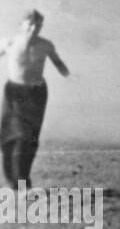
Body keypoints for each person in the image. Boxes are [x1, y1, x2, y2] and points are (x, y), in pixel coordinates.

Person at [0, 10, 70, 188]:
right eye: (30, 24)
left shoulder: (46, 45)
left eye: (38, 25)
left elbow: (58, 63)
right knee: (9, 137)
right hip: (14, 93)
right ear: (21, 25)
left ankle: (23, 181)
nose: (34, 28)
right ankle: (13, 180)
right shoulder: (9, 43)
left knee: (29, 138)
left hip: (36, 93)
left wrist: (73, 76)